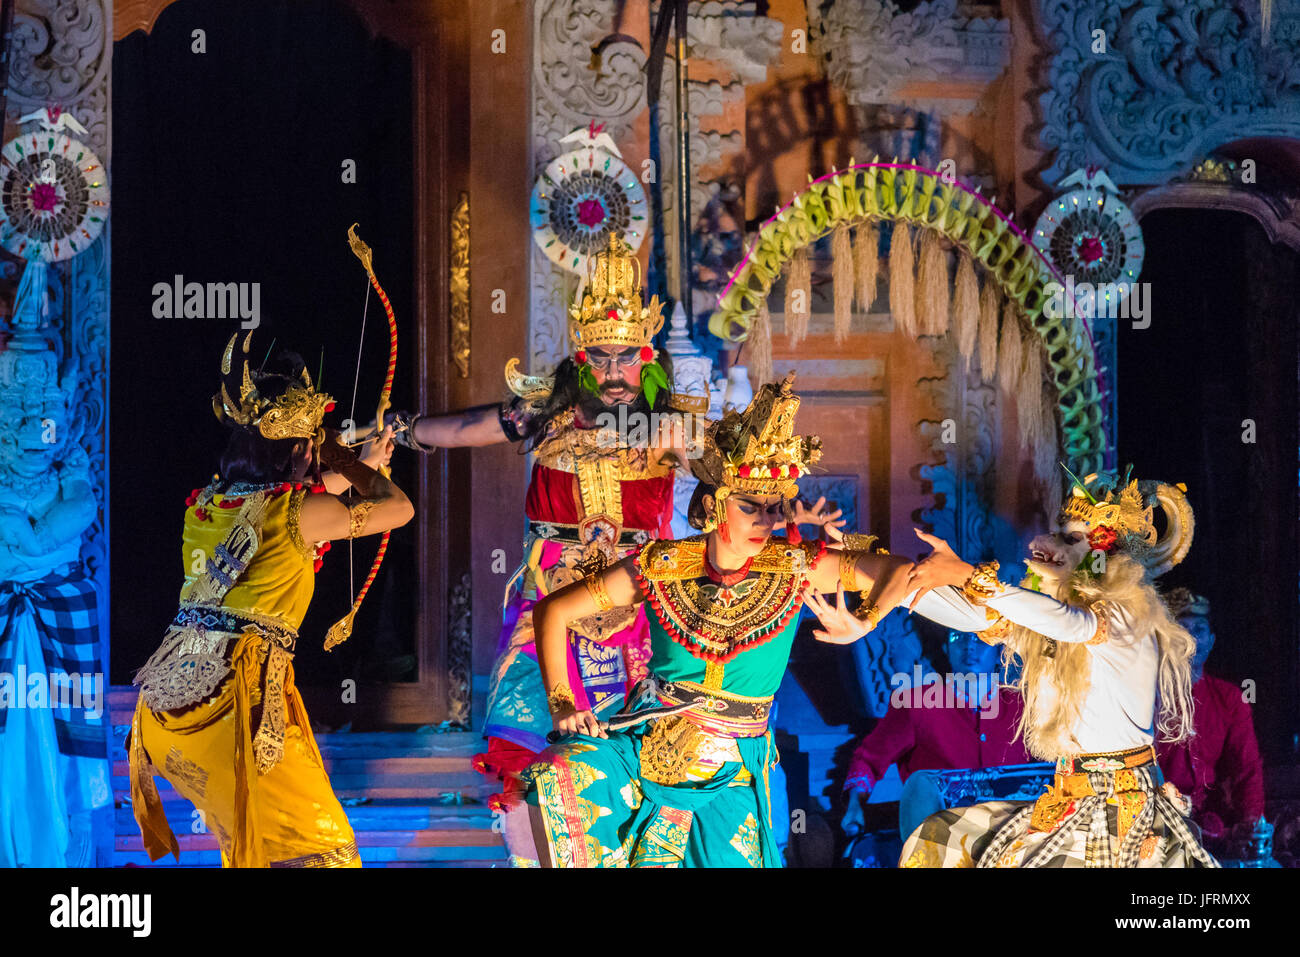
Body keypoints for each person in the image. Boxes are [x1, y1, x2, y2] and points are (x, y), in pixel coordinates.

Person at [385, 236, 834, 859]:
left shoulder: (671, 424)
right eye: (602, 355)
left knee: (644, 775)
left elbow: (734, 475)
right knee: (528, 764)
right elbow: (466, 427)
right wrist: (401, 430)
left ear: (648, 354)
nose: (618, 370)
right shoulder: (545, 414)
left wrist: (783, 508)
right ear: (581, 354)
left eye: (629, 354)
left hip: (640, 613)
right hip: (552, 601)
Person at [519, 375, 917, 867]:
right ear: (712, 505)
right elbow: (553, 610)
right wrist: (563, 705)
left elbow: (900, 570)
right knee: (561, 771)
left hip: (731, 773)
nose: (765, 520)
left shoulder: (797, 566)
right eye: (749, 506)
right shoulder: (661, 565)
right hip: (644, 749)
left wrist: (866, 621)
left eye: (774, 508)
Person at [127, 331, 413, 867]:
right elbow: (398, 509)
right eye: (312, 447)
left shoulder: (205, 505)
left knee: (259, 849)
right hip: (238, 706)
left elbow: (292, 500)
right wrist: (351, 461)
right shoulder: (296, 513)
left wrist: (353, 460)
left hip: (172, 717)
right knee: (324, 850)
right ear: (301, 450)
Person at [893, 468, 1219, 867]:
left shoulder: (1125, 617)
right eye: (1056, 534)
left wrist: (965, 574)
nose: (1044, 544)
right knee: (940, 837)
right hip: (1069, 800)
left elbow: (1069, 623)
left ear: (1102, 557)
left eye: (1071, 539)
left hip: (1120, 817)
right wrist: (887, 588)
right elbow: (975, 616)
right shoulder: (1060, 622)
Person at [840, 631, 1029, 840]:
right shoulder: (916, 703)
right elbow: (869, 758)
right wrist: (855, 804)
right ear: (946, 648)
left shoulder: (1023, 708)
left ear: (1000, 651)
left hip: (1013, 837)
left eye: (981, 638)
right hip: (937, 838)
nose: (969, 646)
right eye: (958, 637)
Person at [1157, 588, 1265, 846]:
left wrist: (1252, 823)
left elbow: (1246, 767)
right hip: (1156, 818)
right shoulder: (1145, 695)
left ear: (1212, 640)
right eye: (1181, 628)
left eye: (1200, 629)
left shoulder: (1230, 699)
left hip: (1211, 824)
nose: (1191, 638)